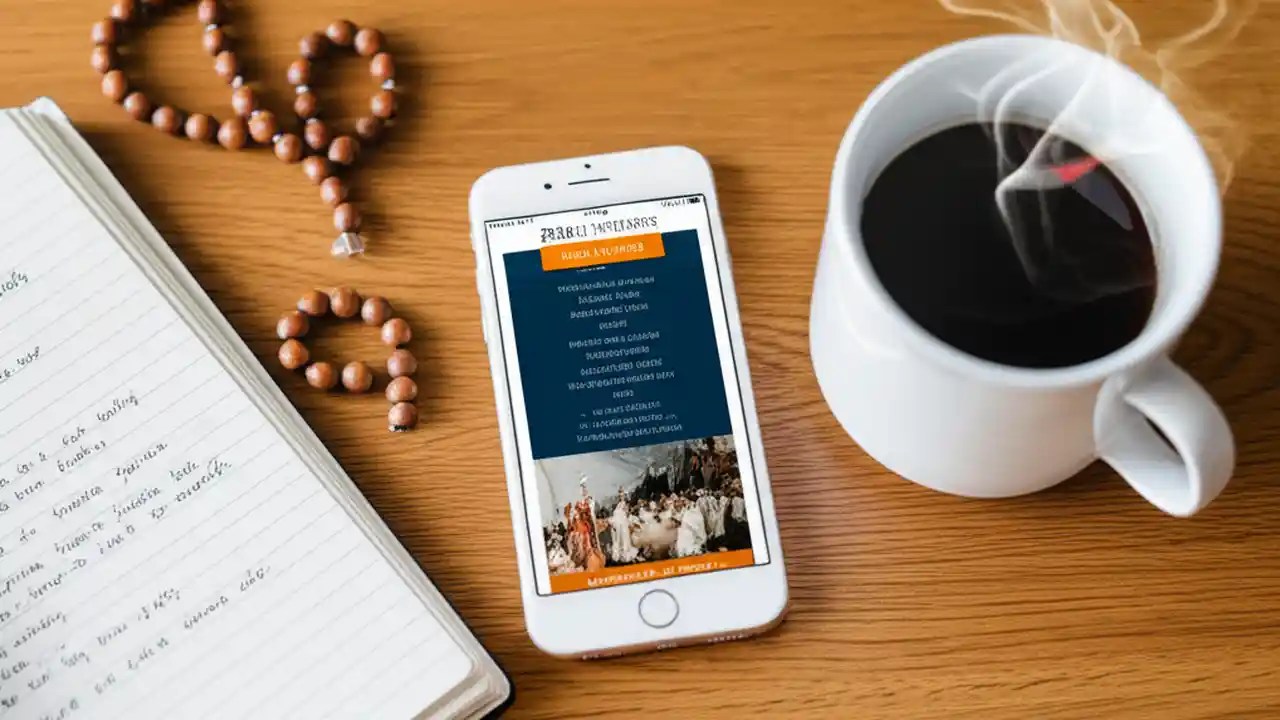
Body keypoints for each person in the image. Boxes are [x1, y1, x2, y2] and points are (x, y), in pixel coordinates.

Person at [609, 489, 639, 563]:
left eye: (622, 495)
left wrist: (626, 516)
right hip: (618, 525)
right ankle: (619, 555)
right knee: (618, 539)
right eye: (620, 496)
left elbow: (626, 513)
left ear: (624, 496)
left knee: (624, 539)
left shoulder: (625, 504)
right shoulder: (618, 504)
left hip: (622, 524)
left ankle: (626, 555)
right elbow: (615, 514)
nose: (621, 497)